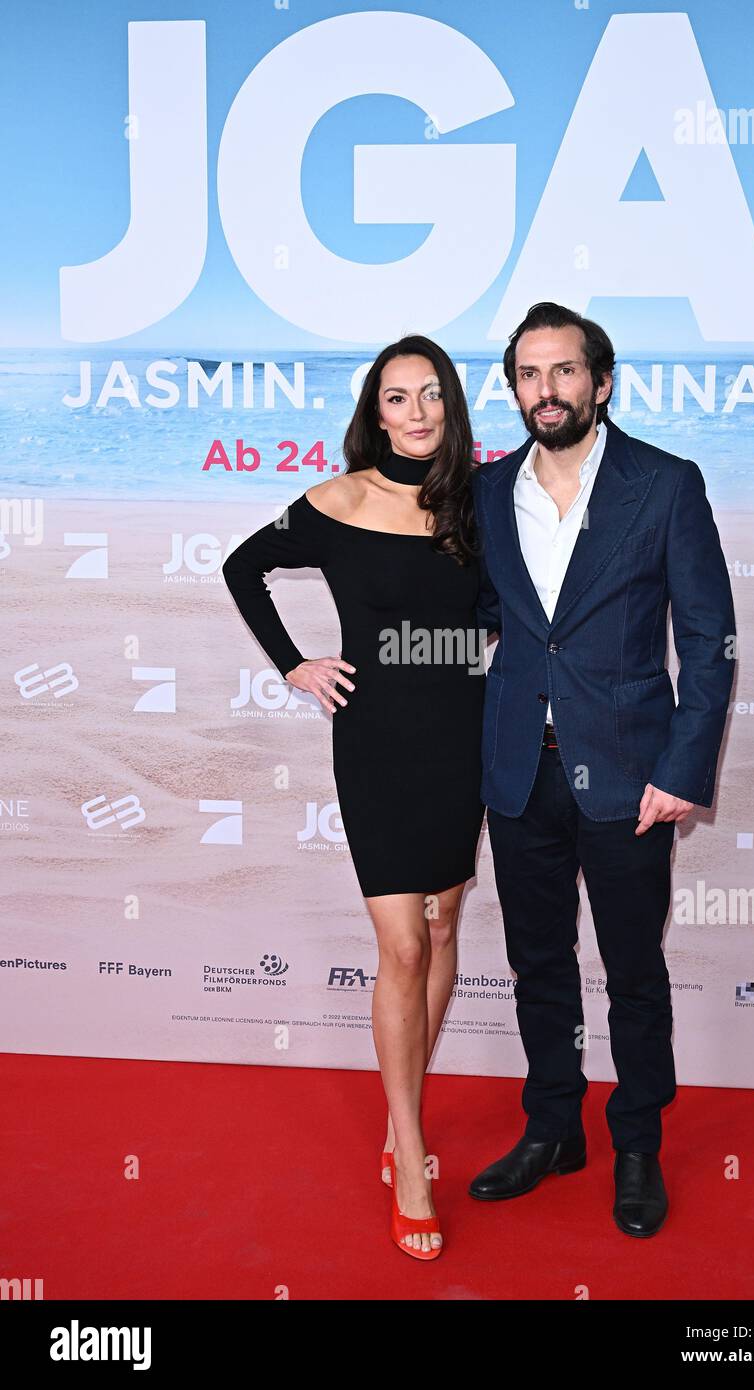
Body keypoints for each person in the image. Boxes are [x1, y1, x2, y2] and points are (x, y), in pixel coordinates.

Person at [469, 302, 736, 1236]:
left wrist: (683, 765)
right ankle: (552, 1130)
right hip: (517, 771)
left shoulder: (663, 485)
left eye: (565, 372)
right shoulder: (489, 490)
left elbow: (707, 641)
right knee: (536, 960)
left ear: (602, 381)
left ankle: (636, 1146)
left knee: (632, 968)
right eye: (529, 375)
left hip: (630, 773)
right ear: (515, 390)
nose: (547, 390)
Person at [222, 336, 488, 1261]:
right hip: (376, 739)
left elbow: (498, 613)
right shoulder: (335, 501)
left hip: (463, 731)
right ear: (374, 411)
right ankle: (410, 1154)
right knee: (404, 942)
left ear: (450, 408)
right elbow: (240, 568)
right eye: (396, 397)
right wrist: (295, 664)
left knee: (447, 924)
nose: (414, 413)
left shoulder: (477, 502)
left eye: (431, 397)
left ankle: (396, 1122)